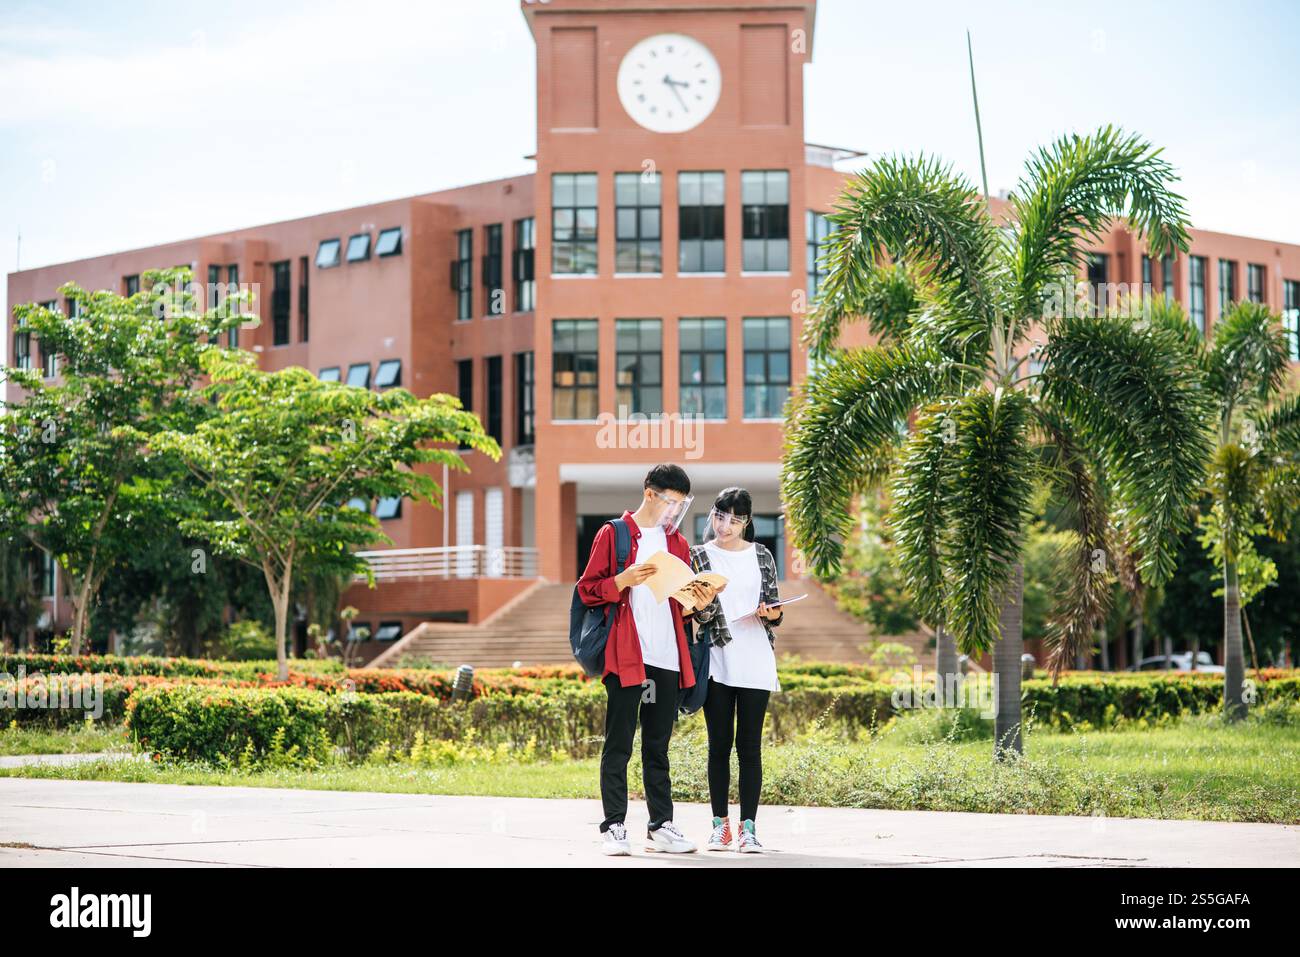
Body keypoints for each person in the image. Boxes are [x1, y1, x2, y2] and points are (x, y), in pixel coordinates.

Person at [576, 463, 722, 856]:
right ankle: (614, 826)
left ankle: (660, 826)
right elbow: (588, 590)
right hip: (627, 654)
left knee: (658, 745)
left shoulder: (677, 544)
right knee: (619, 742)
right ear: (650, 493)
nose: (674, 510)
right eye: (671, 501)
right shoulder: (616, 534)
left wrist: (700, 601)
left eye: (682, 503)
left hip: (667, 656)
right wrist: (623, 580)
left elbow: (683, 604)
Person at [689, 487, 784, 854]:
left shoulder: (761, 555)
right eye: (719, 516)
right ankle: (719, 827)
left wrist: (771, 612)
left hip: (756, 658)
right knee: (718, 747)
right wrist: (701, 606)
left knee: (749, 747)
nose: (724, 525)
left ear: (746, 522)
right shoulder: (699, 556)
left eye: (734, 519)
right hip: (717, 659)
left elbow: (775, 608)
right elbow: (694, 611)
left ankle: (749, 829)